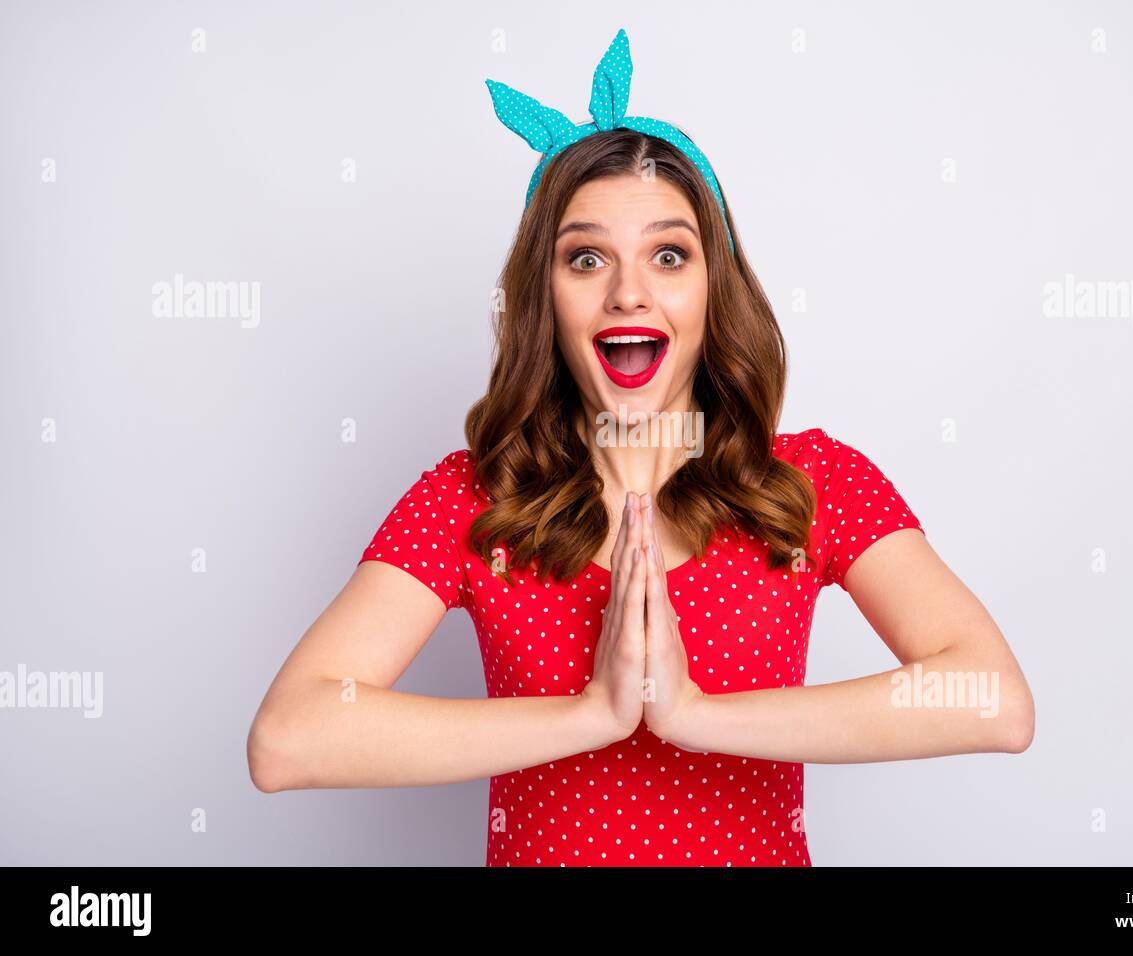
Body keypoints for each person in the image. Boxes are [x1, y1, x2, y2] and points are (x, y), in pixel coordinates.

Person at [246, 28, 1034, 866]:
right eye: (586, 258)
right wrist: (591, 714)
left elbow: (995, 701)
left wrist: (694, 716)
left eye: (668, 255)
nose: (628, 291)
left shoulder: (810, 483)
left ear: (712, 287)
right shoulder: (475, 498)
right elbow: (288, 738)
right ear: (543, 298)